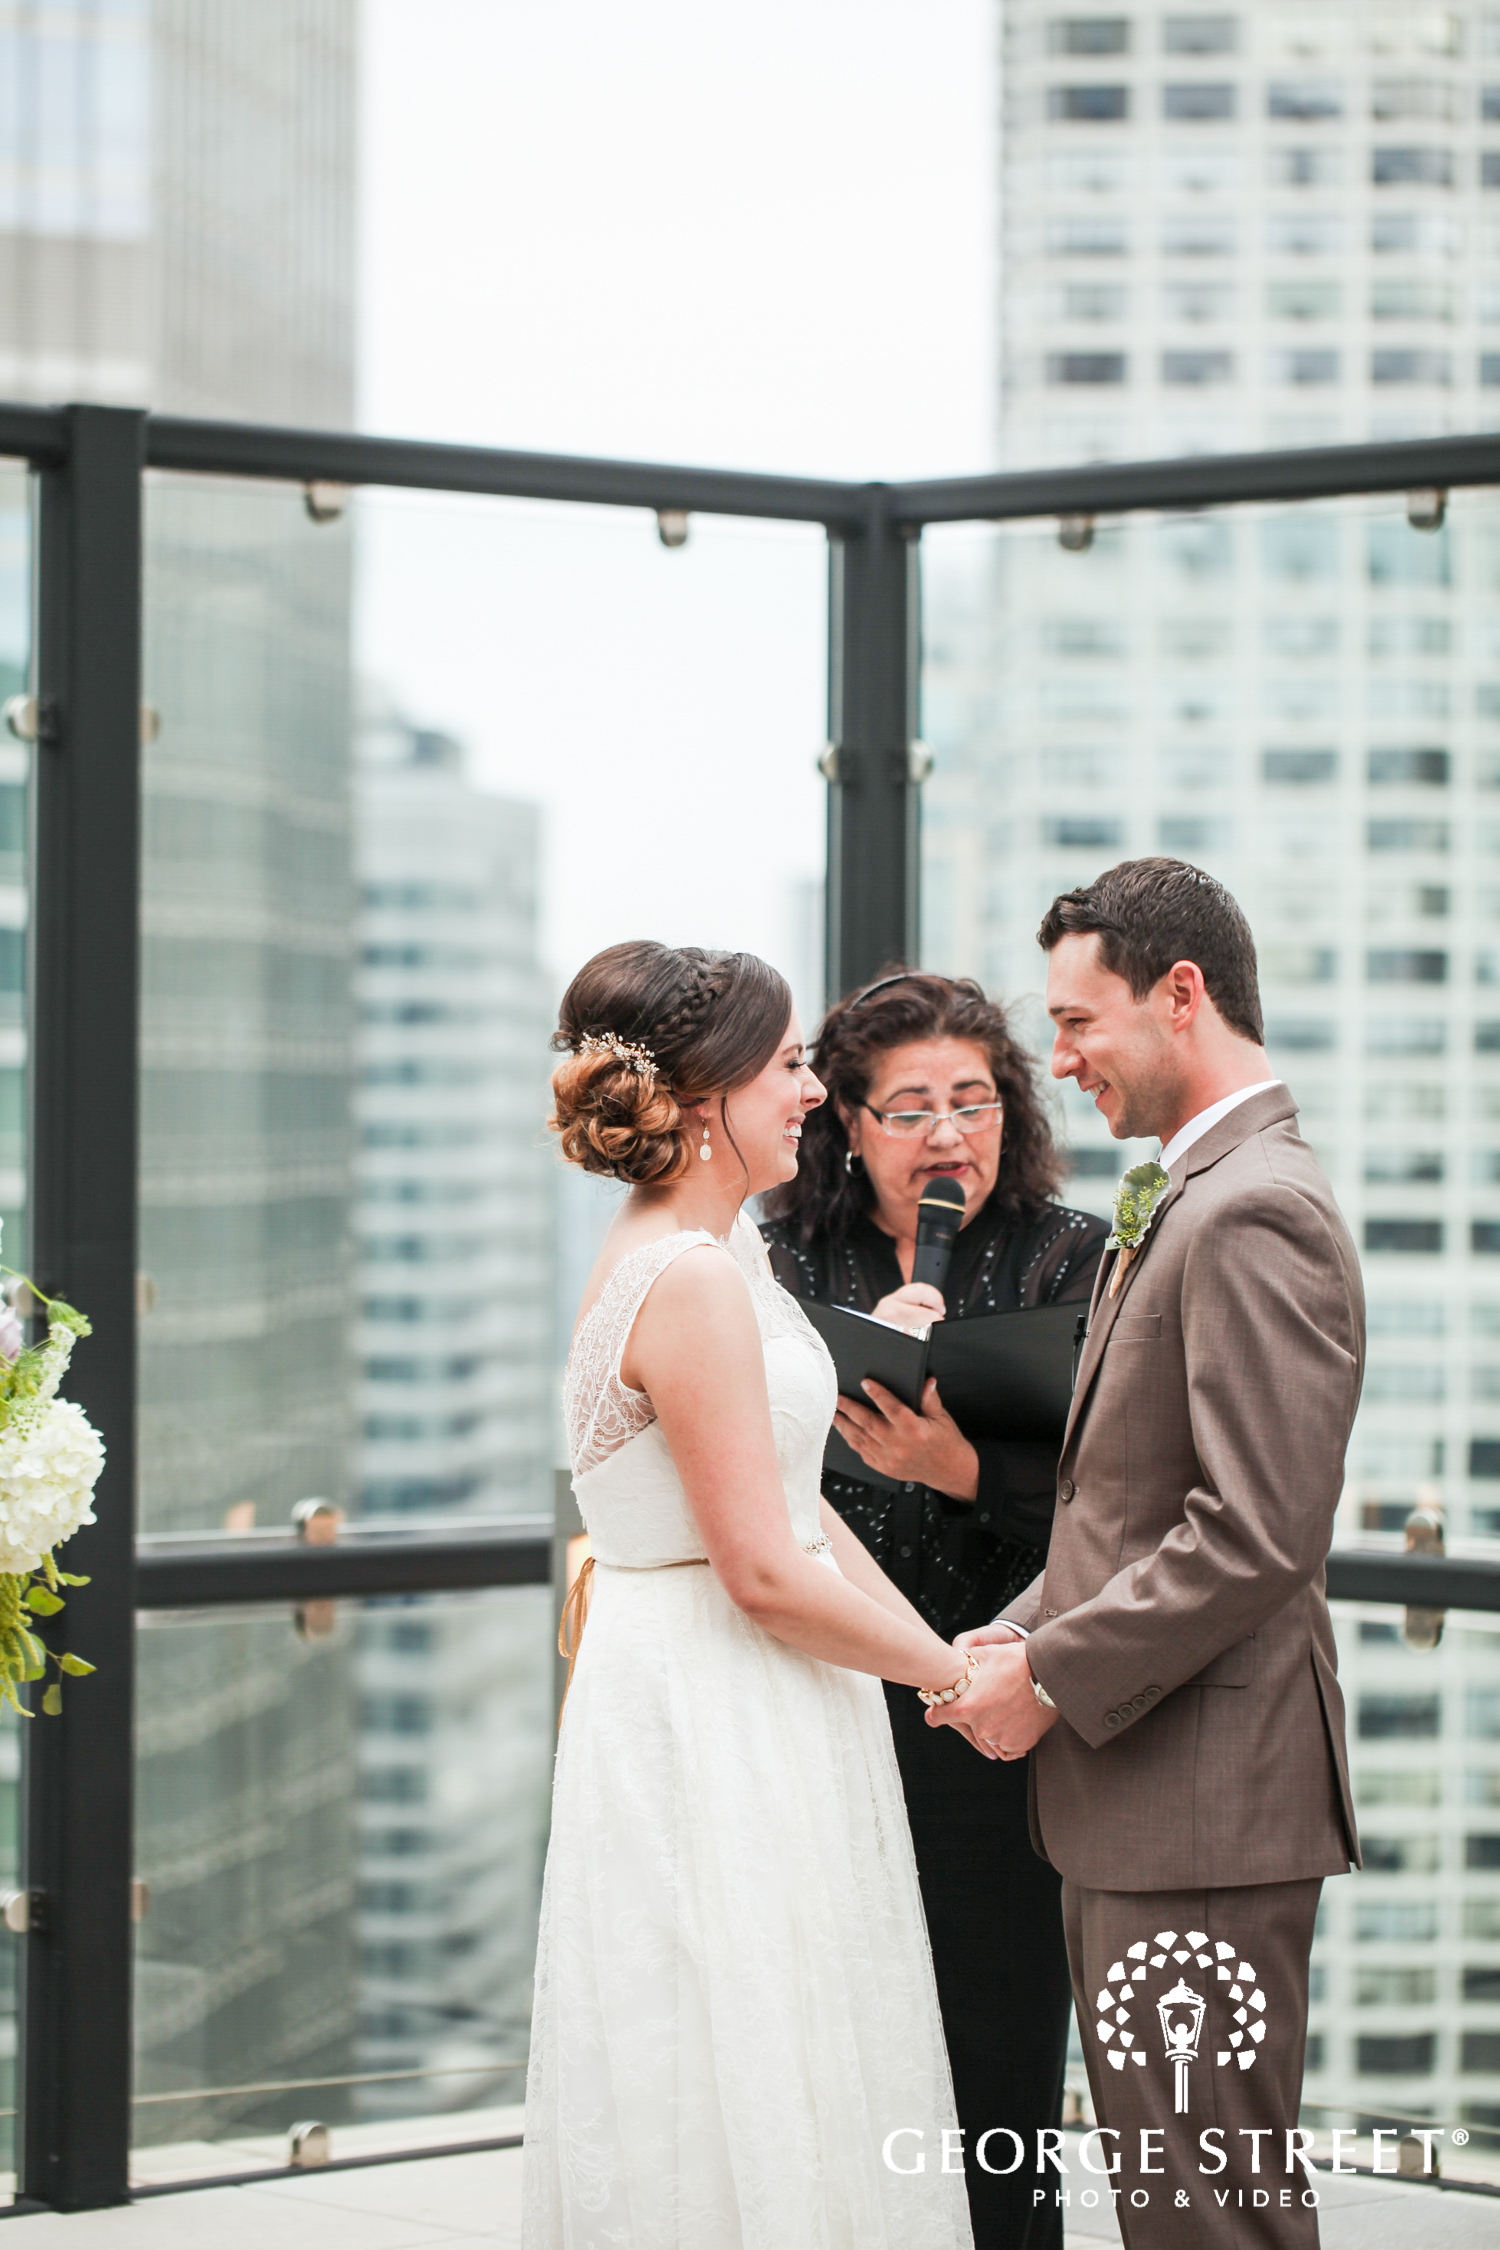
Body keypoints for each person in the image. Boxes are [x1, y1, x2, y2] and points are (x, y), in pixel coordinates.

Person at [929, 860, 1363, 2250]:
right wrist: (1019, 1629)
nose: (1057, 1062)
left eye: (1077, 1022)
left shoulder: (1254, 1208)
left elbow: (1254, 1530)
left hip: (1205, 1812)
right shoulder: (1190, 1193)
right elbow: (1124, 1503)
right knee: (1172, 2204)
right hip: (1151, 1806)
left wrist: (1052, 1673)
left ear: (1182, 995)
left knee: (1208, 2216)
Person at [522, 940, 974, 2250]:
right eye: (788, 1065)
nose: (812, 1092)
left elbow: (799, 1508)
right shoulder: (691, 1278)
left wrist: (934, 1655)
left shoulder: (723, 1251)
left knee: (795, 2034)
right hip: (711, 1696)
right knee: (722, 2053)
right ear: (709, 1093)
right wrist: (954, 1679)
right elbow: (766, 1572)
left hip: (756, 1685)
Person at [761, 969, 1107, 2250]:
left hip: (995, 1708)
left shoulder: (1077, 1257)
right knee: (831, 2057)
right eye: (909, 1109)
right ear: (846, 1124)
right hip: (821, 1701)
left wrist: (957, 1468)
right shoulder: (782, 1259)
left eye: (974, 1100)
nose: (948, 1134)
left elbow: (1119, 1507)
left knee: (996, 2068)